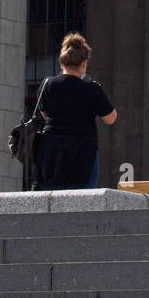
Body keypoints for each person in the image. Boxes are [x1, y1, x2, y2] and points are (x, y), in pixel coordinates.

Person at [34, 32, 116, 189]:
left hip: (50, 151)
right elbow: (110, 119)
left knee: (50, 195)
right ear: (83, 63)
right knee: (82, 200)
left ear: (62, 62)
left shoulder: (47, 84)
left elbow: (45, 114)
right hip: (82, 152)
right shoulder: (92, 89)